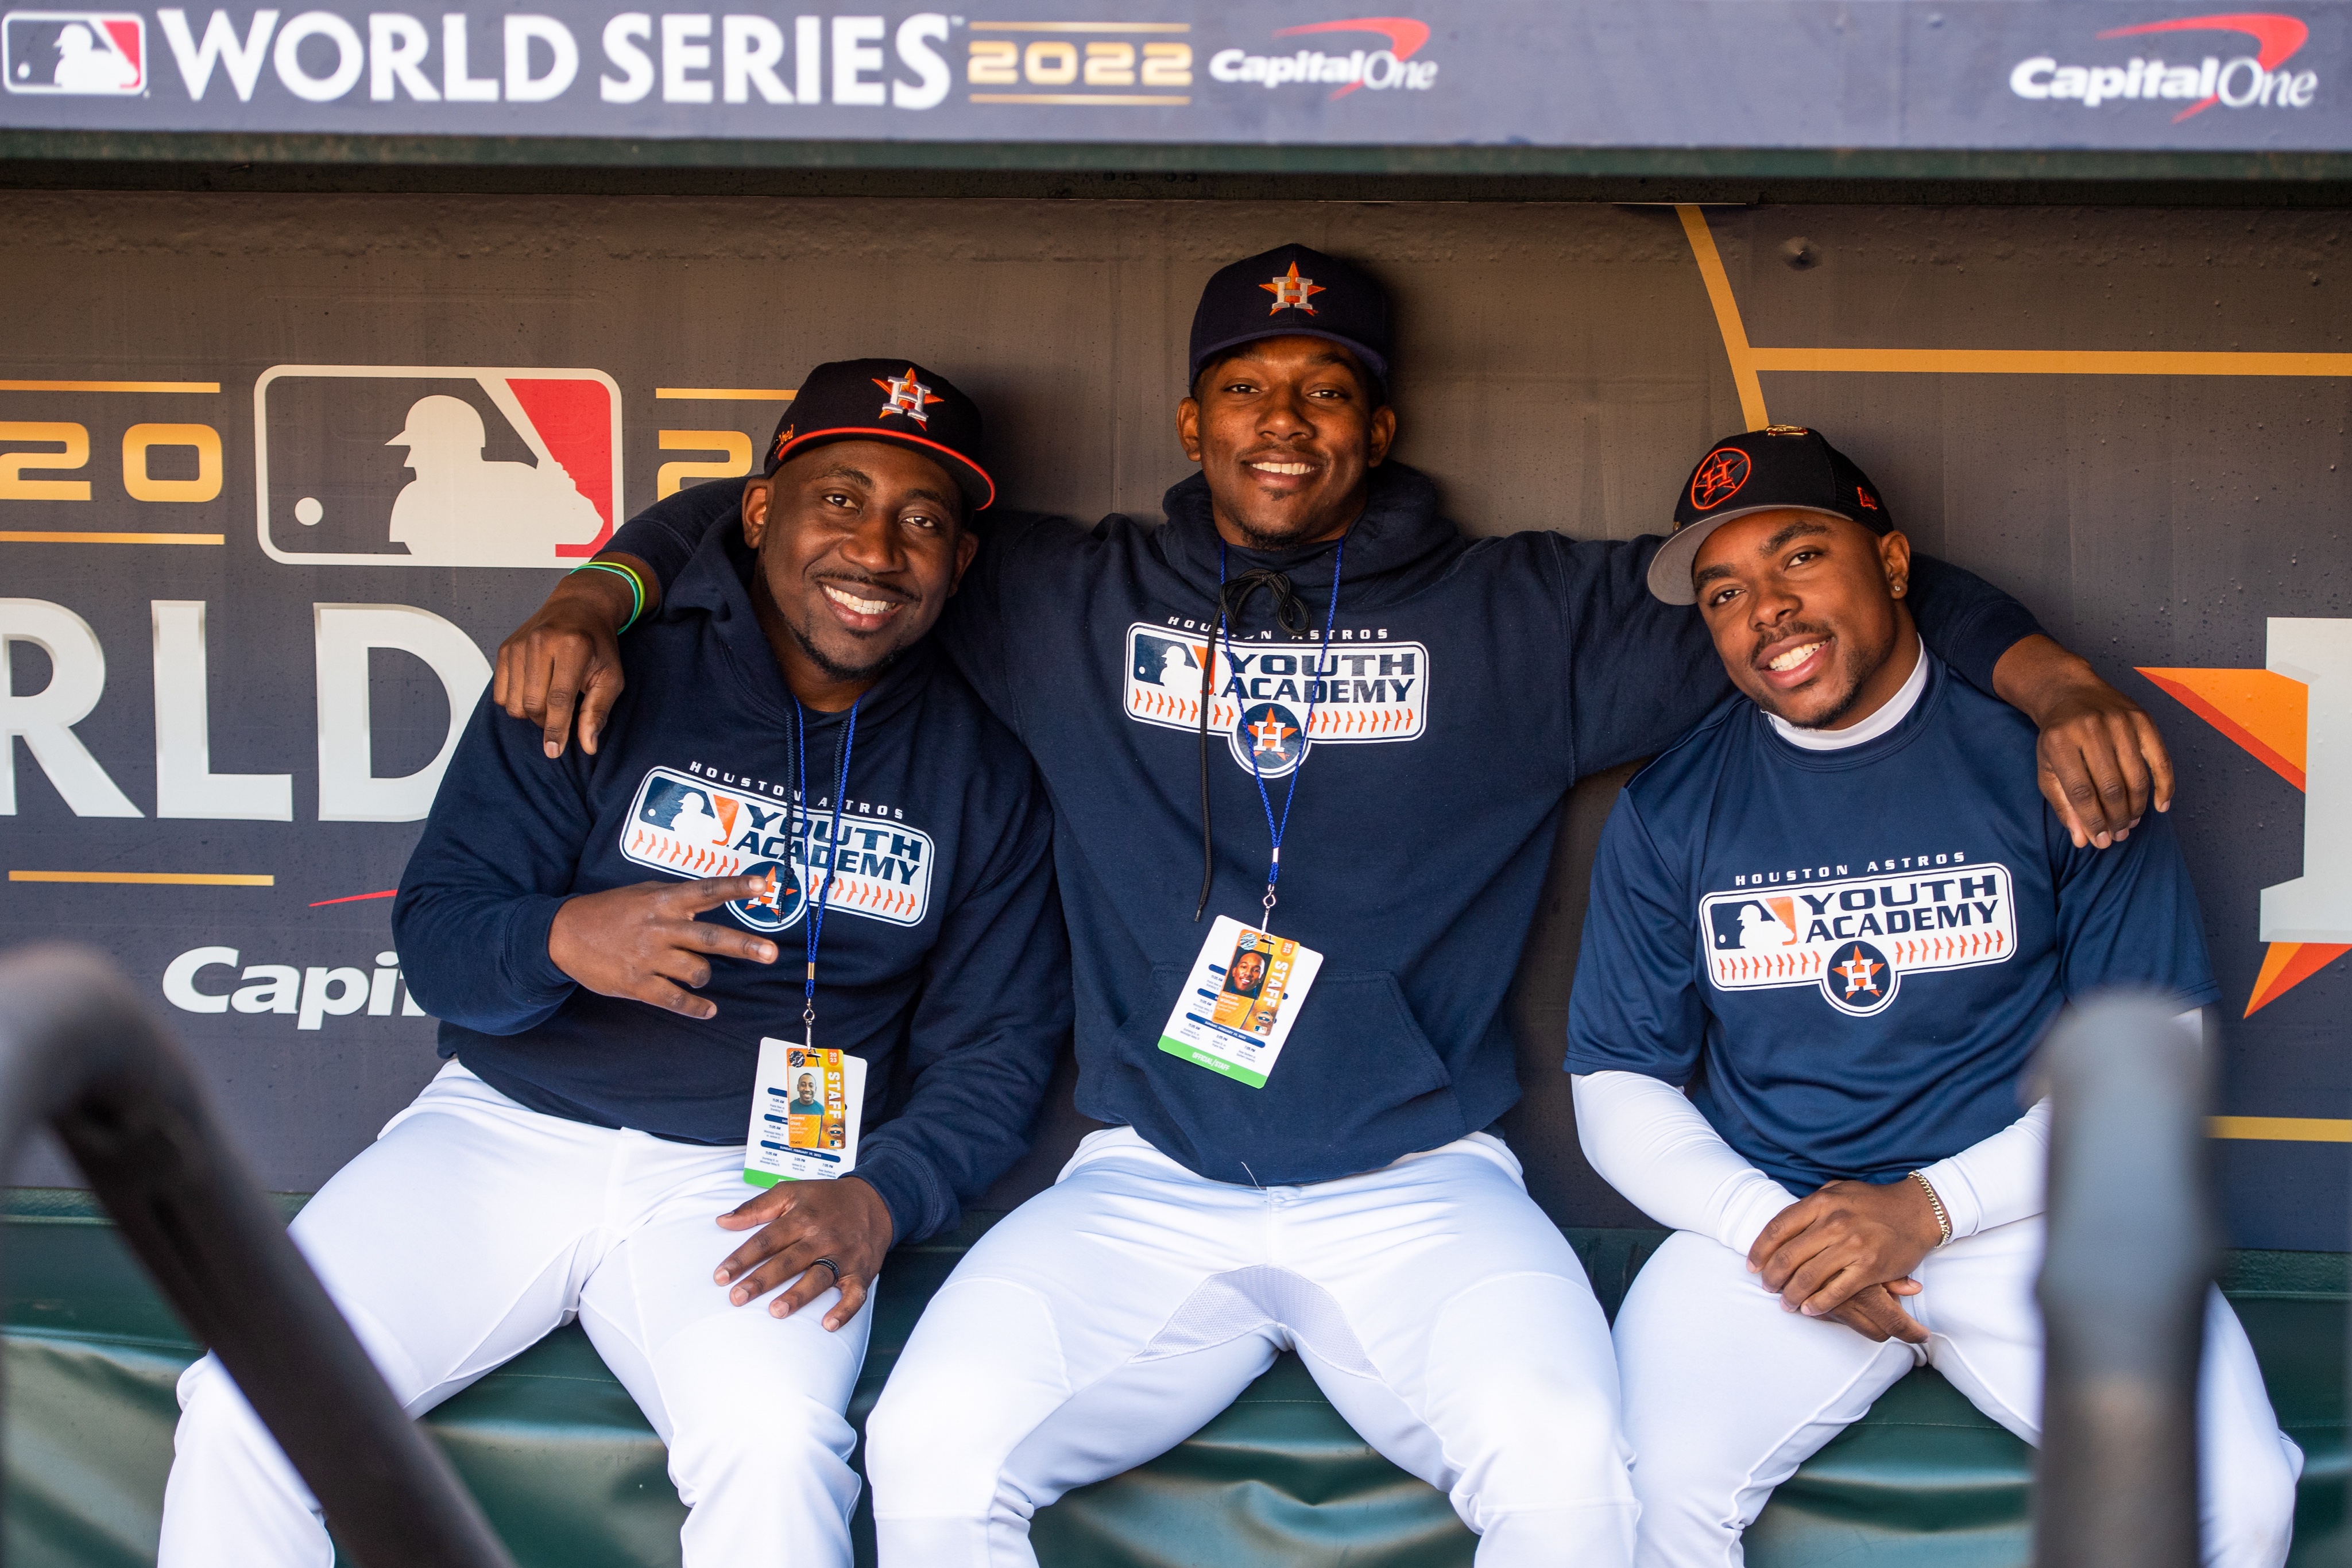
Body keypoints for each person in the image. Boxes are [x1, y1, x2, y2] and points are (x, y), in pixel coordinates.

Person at [490, 246, 2179, 1567]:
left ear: (1379, 427)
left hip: (1417, 1189)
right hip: (1145, 1183)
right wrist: (598, 584)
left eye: (1324, 390)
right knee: (933, 1448)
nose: (1281, 422)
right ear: (1191, 423)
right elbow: (794, 520)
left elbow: (1826, 576)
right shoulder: (1063, 593)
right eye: (1244, 387)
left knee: (1571, 1469)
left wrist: (2048, 677)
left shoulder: (1527, 617)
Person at [157, 359, 1069, 1568]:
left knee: (775, 1445)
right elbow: (437, 933)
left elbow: (997, 1049)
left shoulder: (982, 764)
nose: (875, 547)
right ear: (758, 516)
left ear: (958, 561)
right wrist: (562, 939)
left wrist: (884, 1192)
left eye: (922, 521)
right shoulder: (595, 669)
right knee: (243, 1410)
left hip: (755, 1184)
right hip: (505, 1134)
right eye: (838, 499)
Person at [1565, 426, 2300, 1566]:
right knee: (1614, 1496)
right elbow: (1616, 1080)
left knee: (2234, 1498)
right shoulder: (1673, 804)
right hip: (1775, 1226)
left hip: (2029, 1216)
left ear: (1894, 565)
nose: (1766, 609)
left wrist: (1926, 1208)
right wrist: (1777, 1233)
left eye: (1800, 558)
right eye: (1723, 592)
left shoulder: (2046, 760)